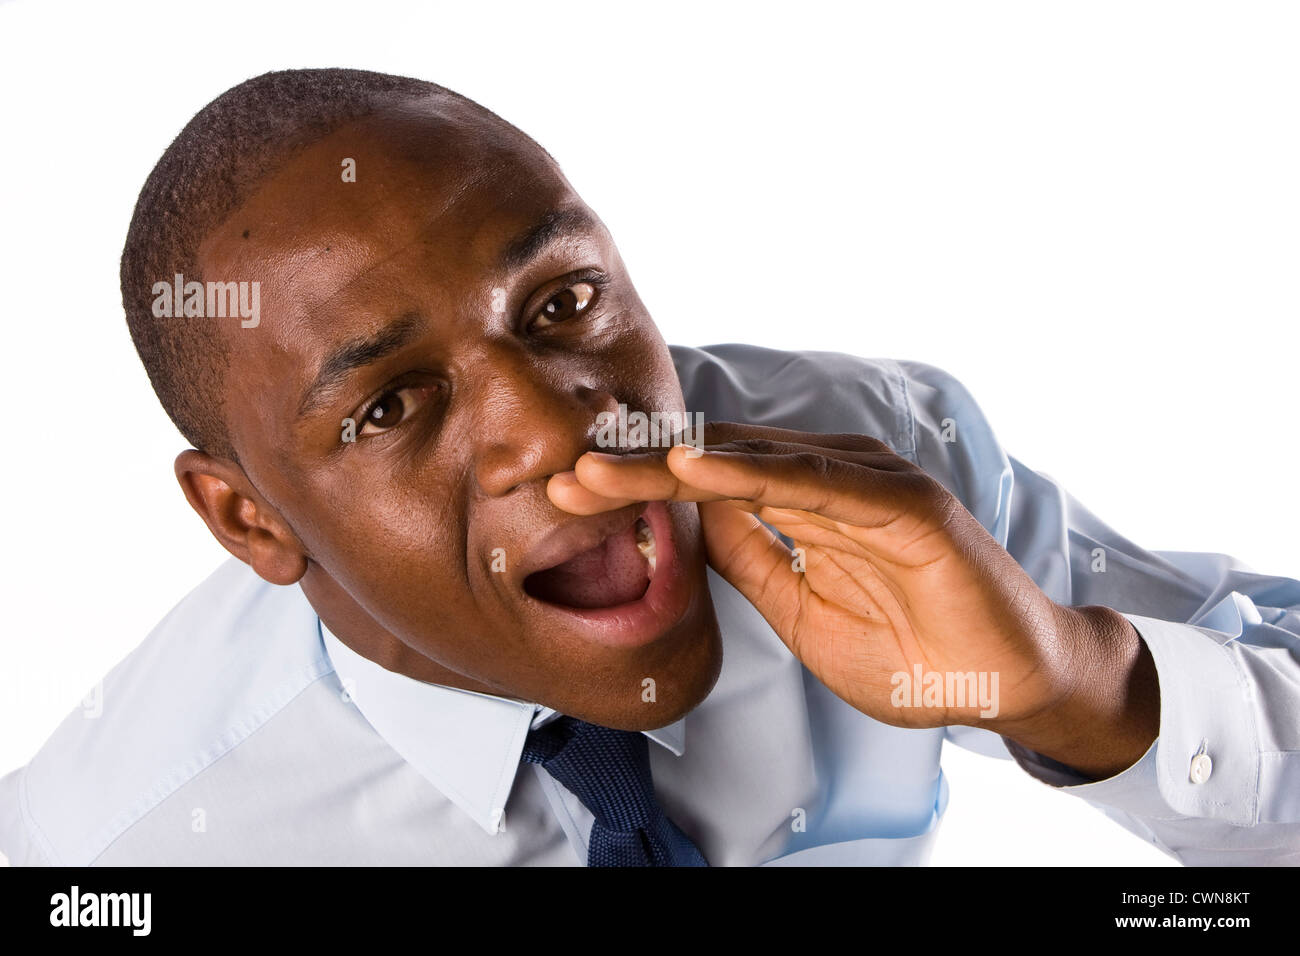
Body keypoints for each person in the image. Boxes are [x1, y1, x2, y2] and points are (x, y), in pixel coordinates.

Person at [2, 68, 1296, 866]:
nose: (563, 431)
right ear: (247, 520)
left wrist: (1078, 686)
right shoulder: (114, 848)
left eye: (562, 305)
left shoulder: (877, 477)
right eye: (392, 404)